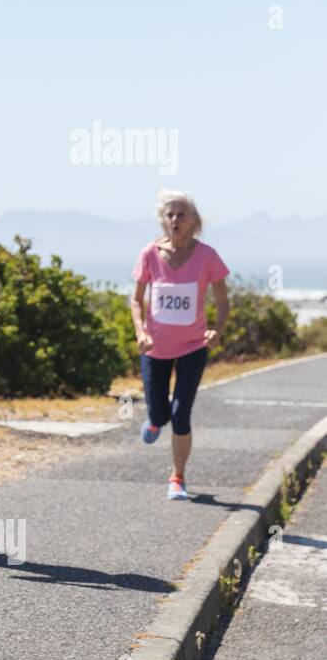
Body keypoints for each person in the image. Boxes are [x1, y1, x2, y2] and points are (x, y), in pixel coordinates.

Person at [131, 190, 229, 499]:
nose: (175, 220)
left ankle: (177, 478)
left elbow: (222, 300)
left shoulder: (207, 256)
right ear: (163, 219)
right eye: (170, 214)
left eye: (181, 214)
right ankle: (155, 421)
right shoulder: (149, 254)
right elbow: (136, 300)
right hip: (155, 348)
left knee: (181, 413)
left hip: (192, 346)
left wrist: (217, 330)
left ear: (193, 220)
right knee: (160, 415)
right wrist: (140, 332)